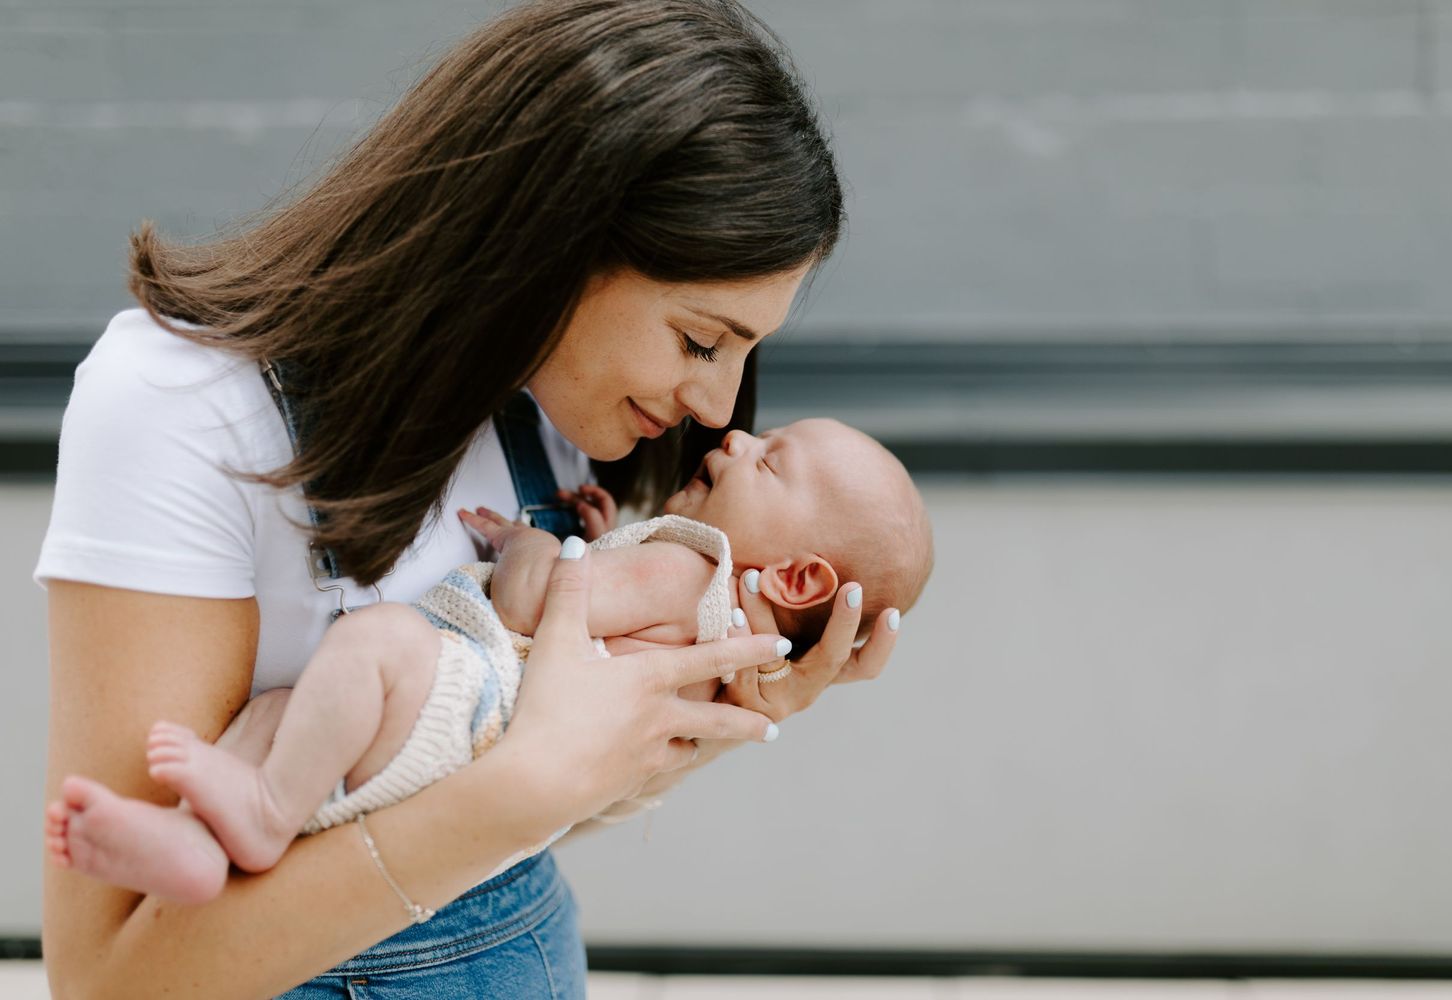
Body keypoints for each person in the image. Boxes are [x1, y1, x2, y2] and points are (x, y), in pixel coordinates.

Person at [33, 2, 902, 997]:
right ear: (552, 239)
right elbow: (111, 981)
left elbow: (508, 771)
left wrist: (707, 714)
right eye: (702, 340)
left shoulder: (561, 424)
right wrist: (520, 791)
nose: (717, 405)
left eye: (748, 351)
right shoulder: (180, 405)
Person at [42, 420, 933, 907]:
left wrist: (528, 540)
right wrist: (599, 539)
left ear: (799, 575)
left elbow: (529, 607)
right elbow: (613, 620)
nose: (734, 438)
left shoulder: (689, 563)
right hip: (485, 739)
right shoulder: (715, 633)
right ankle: (202, 842)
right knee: (295, 714)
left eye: (768, 460)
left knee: (367, 645)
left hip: (474, 692)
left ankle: (266, 813)